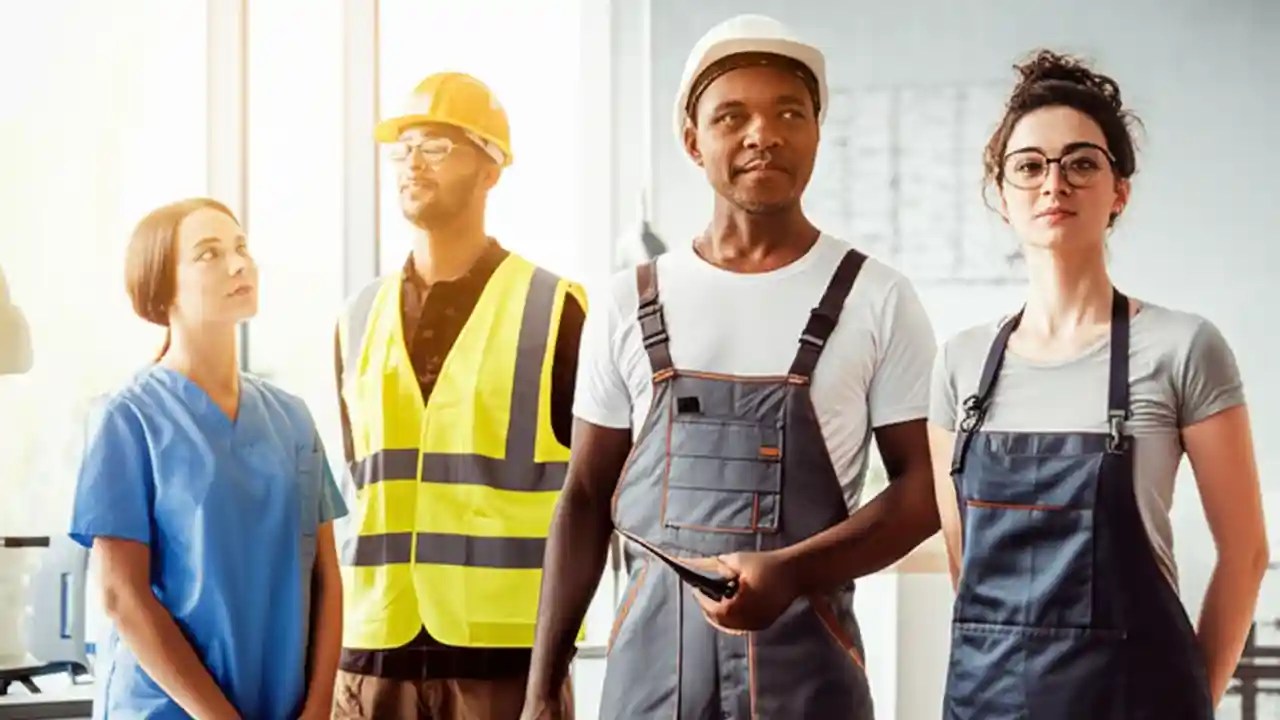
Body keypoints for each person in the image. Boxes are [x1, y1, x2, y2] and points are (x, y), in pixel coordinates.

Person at [522, 14, 940, 720]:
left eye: (788, 113)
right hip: (648, 682)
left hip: (811, 677)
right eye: (731, 115)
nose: (762, 134)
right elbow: (585, 499)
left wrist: (793, 572)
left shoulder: (878, 298)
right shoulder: (629, 301)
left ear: (815, 133)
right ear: (693, 141)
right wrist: (542, 689)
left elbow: (926, 492)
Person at [929, 51, 1270, 718]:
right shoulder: (960, 364)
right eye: (1029, 166)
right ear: (1002, 195)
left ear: (1120, 191)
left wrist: (1189, 700)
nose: (1054, 183)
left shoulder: (1183, 348)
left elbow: (1247, 552)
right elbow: (964, 568)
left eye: (1082, 162)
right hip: (985, 701)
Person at [331, 71, 585, 719]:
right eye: (403, 148)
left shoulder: (554, 309)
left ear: (491, 169)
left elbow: (595, 499)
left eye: (438, 146)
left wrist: (550, 676)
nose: (413, 162)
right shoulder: (356, 317)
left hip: (505, 661)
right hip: (374, 654)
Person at [68, 197, 348, 719]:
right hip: (169, 709)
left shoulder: (292, 420)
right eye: (208, 254)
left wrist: (318, 708)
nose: (238, 264)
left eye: (241, 247)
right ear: (161, 286)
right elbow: (120, 595)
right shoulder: (130, 418)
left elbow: (327, 577)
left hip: (281, 706)